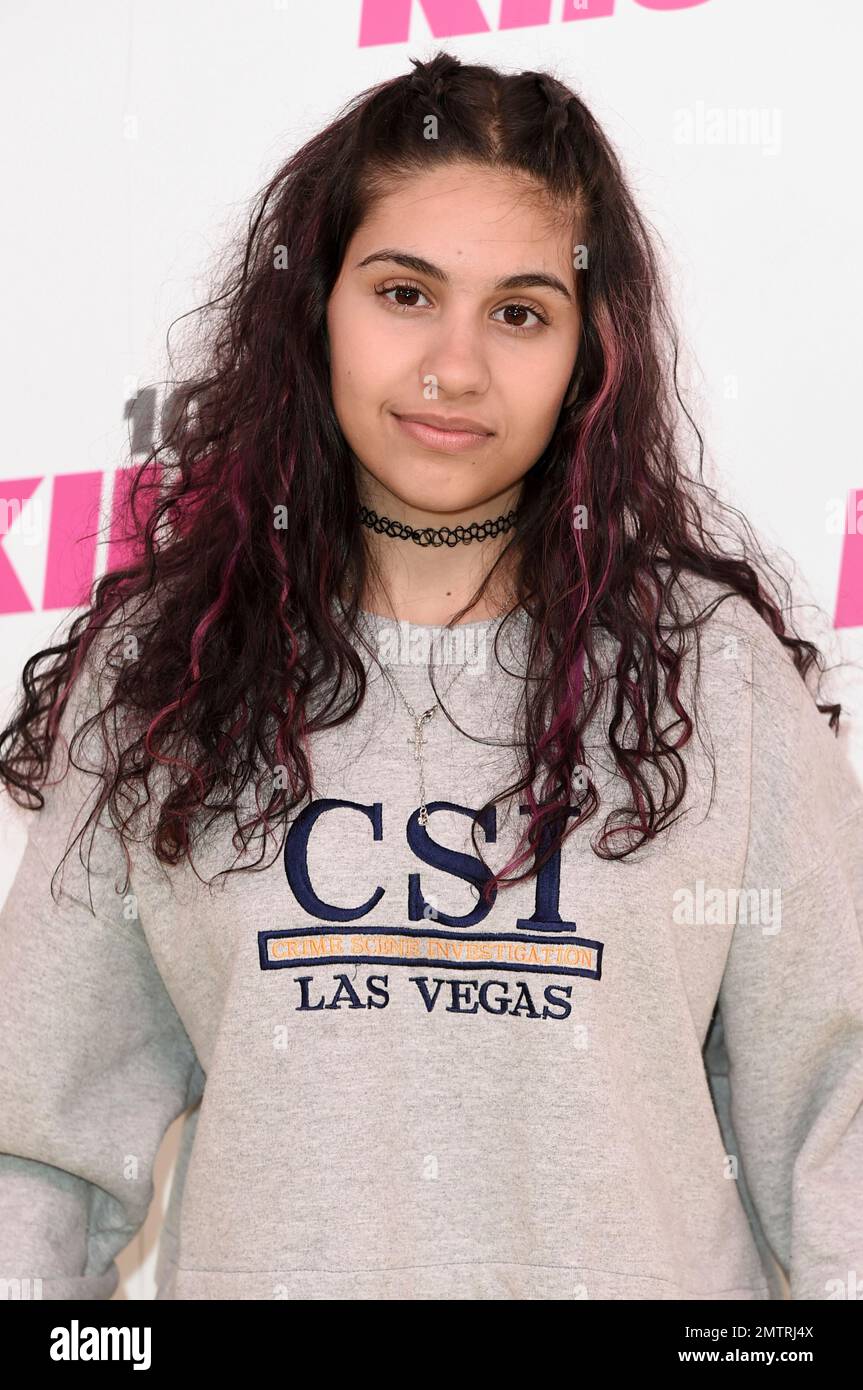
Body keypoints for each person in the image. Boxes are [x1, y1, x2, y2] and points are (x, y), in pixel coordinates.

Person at [0, 50, 861, 1303]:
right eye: (404, 293)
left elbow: (839, 1134)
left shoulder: (710, 677)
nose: (454, 367)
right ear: (316, 309)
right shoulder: (163, 681)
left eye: (518, 312)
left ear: (586, 353)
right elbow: (37, 1156)